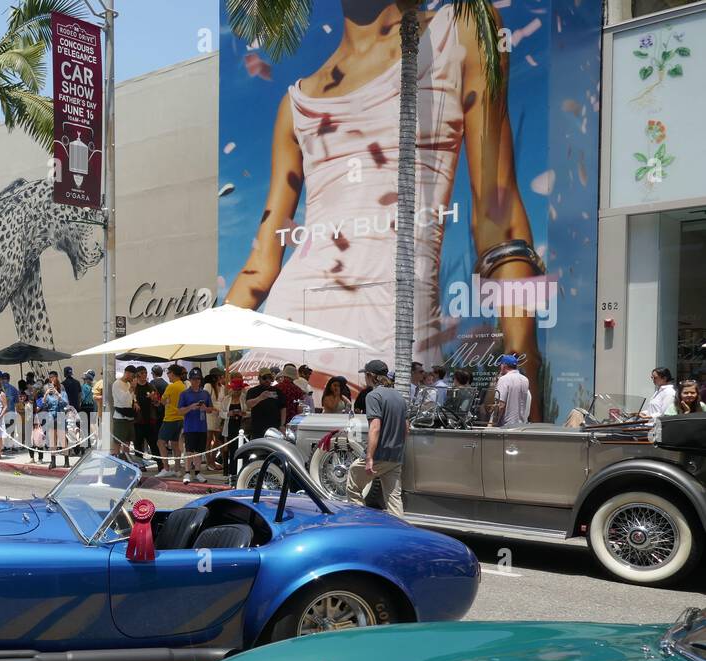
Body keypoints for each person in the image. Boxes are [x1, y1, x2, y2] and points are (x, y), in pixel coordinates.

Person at [226, 1, 541, 418]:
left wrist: (524, 362)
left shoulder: (460, 27)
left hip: (393, 335)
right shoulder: (296, 103)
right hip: (290, 324)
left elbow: (498, 213)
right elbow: (260, 267)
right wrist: (208, 356)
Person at [346, 360, 406, 517]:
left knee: (353, 485)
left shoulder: (373, 396)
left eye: (365, 375)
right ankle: (400, 533)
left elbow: (375, 427)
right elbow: (407, 427)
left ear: (370, 376)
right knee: (394, 499)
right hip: (396, 455)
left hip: (380, 454)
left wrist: (369, 457)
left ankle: (360, 523)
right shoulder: (399, 396)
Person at [176, 368, 214, 484]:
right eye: (193, 379)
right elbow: (179, 411)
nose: (196, 381)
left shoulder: (205, 393)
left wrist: (205, 408)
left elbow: (210, 409)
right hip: (190, 427)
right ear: (190, 380)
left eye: (198, 379)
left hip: (202, 427)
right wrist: (190, 407)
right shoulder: (184, 394)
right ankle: (187, 472)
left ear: (200, 380)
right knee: (189, 451)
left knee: (198, 451)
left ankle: (197, 472)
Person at [157, 364, 187, 477]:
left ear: (173, 374)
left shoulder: (171, 386)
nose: (167, 375)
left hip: (170, 418)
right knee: (175, 444)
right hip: (180, 418)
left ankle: (166, 468)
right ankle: (177, 469)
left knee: (160, 442)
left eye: (168, 373)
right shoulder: (183, 386)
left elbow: (163, 401)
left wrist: (166, 401)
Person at [244, 369, 284, 440]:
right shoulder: (252, 391)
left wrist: (282, 425)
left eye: (269, 378)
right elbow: (248, 405)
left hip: (274, 428)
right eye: (264, 378)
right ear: (259, 378)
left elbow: (283, 408)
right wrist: (260, 398)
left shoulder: (277, 391)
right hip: (258, 429)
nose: (267, 380)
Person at [221, 372, 248, 476]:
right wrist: (229, 413)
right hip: (230, 426)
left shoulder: (244, 398)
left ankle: (241, 472)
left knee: (242, 450)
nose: (237, 392)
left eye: (239, 390)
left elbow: (250, 412)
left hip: (242, 426)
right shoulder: (227, 399)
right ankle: (231, 473)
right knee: (231, 451)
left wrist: (244, 414)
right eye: (235, 389)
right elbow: (221, 413)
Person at [492, 354, 530, 426]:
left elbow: (500, 405)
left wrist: (493, 423)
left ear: (504, 366)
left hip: (506, 426)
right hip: (520, 425)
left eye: (501, 365)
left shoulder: (504, 379)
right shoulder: (525, 379)